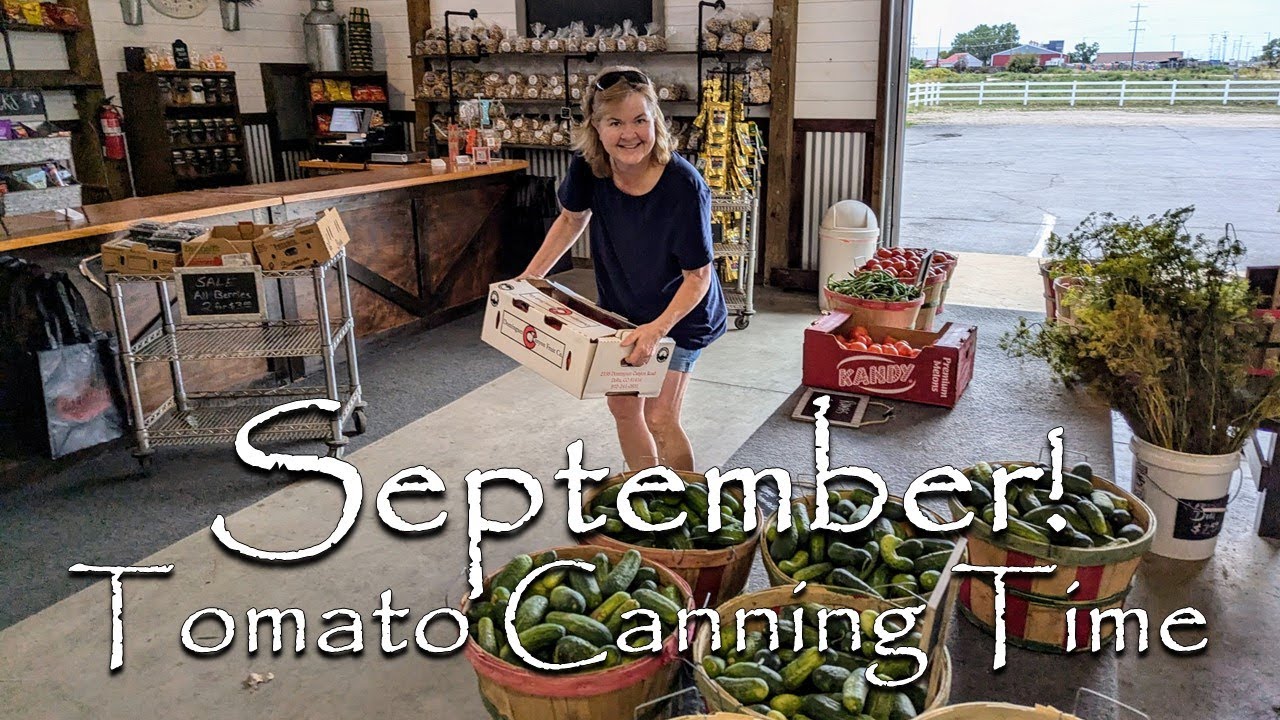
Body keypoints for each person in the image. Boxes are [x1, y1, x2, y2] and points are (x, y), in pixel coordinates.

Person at [519, 66, 727, 473]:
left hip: (681, 313)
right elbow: (570, 219)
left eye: (640, 120)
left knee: (660, 416)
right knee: (623, 407)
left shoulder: (684, 185)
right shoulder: (589, 165)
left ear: (656, 122)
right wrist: (528, 280)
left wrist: (658, 328)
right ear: (596, 128)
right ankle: (645, 489)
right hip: (623, 307)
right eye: (615, 122)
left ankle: (686, 508)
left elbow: (698, 277)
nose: (630, 134)